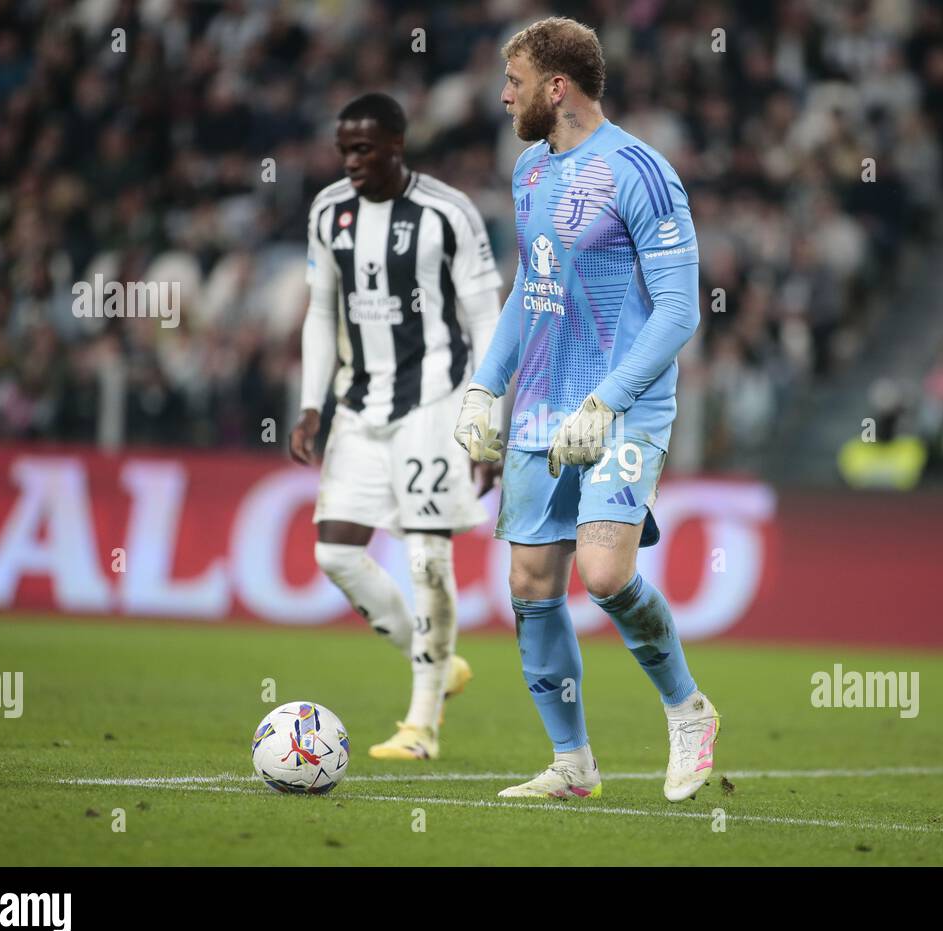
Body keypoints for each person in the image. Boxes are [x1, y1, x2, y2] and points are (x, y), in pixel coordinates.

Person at [454, 17, 719, 802]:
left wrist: (607, 403)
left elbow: (679, 312)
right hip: (540, 407)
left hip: (623, 406)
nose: (504, 96)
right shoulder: (530, 171)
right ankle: (573, 765)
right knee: (533, 584)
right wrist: (485, 386)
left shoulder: (640, 171)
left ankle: (689, 709)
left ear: (556, 87)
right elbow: (529, 295)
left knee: (604, 574)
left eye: (516, 81)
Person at [291, 92, 502, 759]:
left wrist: (484, 419)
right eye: (343, 150)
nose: (352, 161)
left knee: (426, 554)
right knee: (334, 553)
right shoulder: (329, 212)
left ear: (397, 146)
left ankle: (422, 726)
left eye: (365, 149)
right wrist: (310, 404)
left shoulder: (448, 213)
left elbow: (487, 319)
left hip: (435, 399)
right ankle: (435, 659)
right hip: (359, 403)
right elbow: (322, 311)